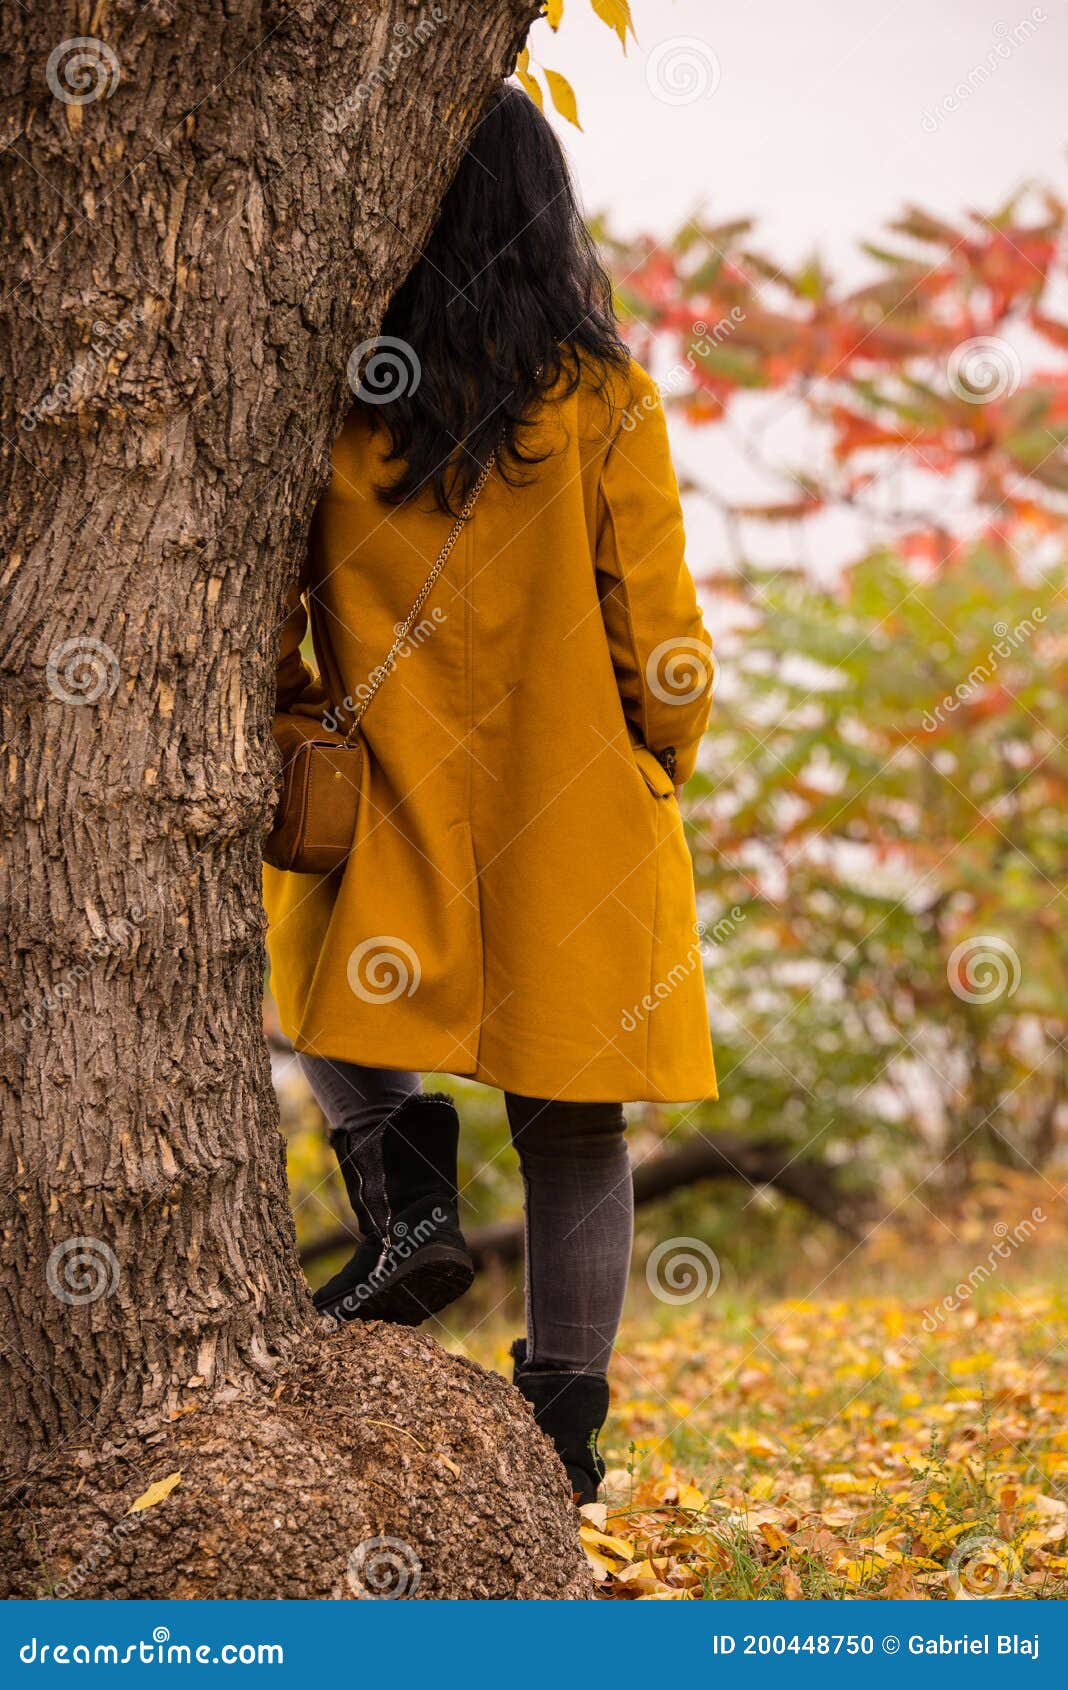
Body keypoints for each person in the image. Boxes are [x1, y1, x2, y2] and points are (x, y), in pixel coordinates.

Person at [263, 82, 716, 1504]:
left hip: (390, 797)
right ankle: (565, 1428)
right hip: (571, 811)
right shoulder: (602, 400)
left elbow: (255, 614)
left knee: (309, 966)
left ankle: (412, 1205)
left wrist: (297, 723)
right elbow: (666, 641)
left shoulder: (333, 403)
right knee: (577, 1115)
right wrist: (656, 756)